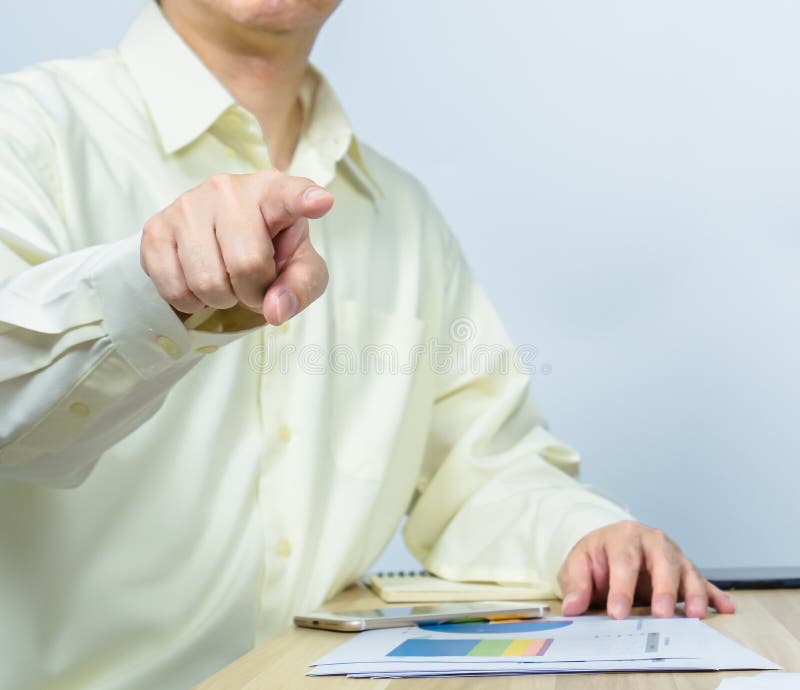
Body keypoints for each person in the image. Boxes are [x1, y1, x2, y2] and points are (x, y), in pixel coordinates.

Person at [0, 1, 735, 687]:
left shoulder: (401, 213)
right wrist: (148, 292)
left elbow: (481, 470)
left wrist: (587, 536)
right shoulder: (23, 135)